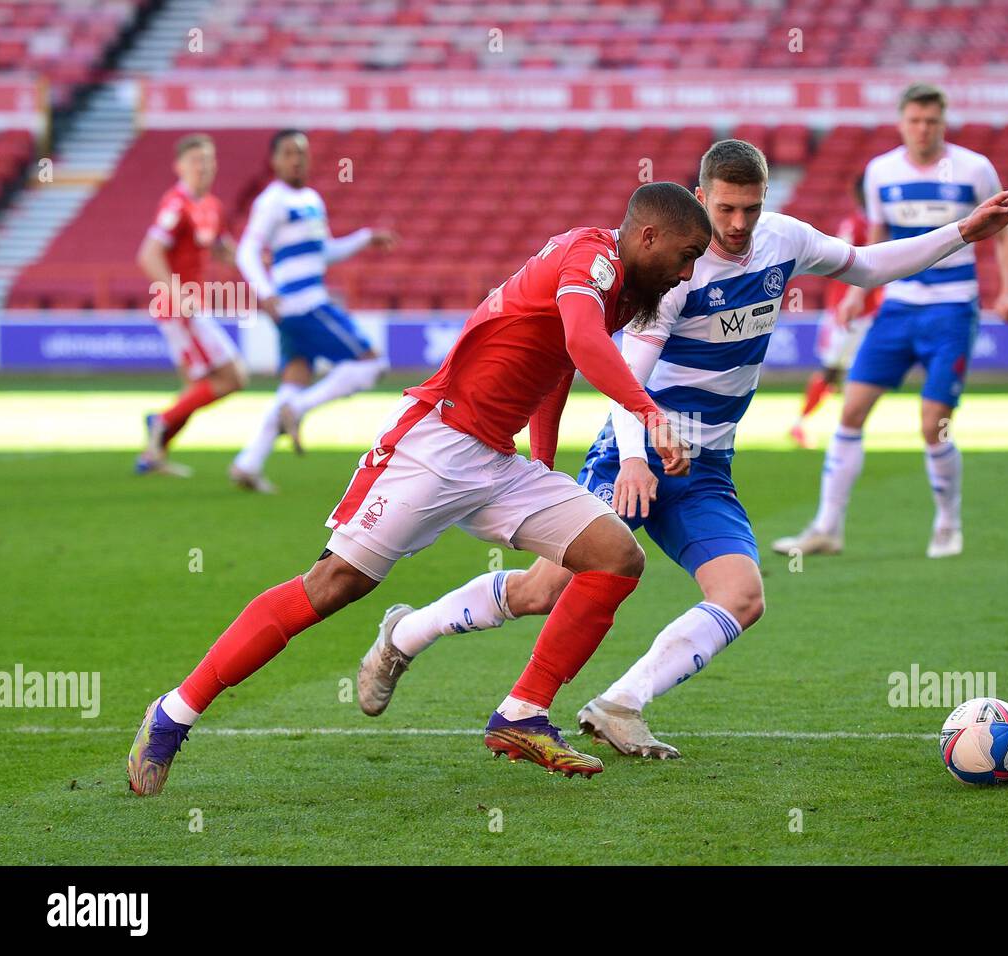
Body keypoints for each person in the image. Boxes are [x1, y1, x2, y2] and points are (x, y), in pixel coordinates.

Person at [354, 139, 1008, 759]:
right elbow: (630, 374)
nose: (738, 225)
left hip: (706, 465)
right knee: (545, 589)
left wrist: (961, 233)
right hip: (639, 452)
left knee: (742, 595)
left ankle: (620, 704)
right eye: (727, 209)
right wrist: (631, 459)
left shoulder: (784, 240)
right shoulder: (673, 273)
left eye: (751, 208)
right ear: (702, 199)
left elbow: (867, 266)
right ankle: (405, 635)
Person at [126, 181, 710, 794]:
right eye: (686, 253)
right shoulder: (592, 258)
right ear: (648, 236)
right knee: (332, 587)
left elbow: (558, 365)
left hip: (497, 461)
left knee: (617, 558)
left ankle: (521, 714)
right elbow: (583, 344)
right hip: (433, 445)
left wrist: (542, 464)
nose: (687, 271)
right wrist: (651, 416)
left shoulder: (619, 288)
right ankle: (172, 714)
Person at [773, 83, 1008, 561]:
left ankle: (948, 524)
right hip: (897, 308)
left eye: (931, 121)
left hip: (952, 308)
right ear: (901, 121)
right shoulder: (881, 172)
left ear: (943, 122)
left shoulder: (974, 169)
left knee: (934, 425)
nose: (923, 129)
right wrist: (854, 293)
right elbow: (875, 243)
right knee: (850, 412)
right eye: (914, 120)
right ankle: (827, 527)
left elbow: (1005, 236)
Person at [230, 129, 396, 493]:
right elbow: (247, 250)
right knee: (372, 363)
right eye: (289, 153)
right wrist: (265, 291)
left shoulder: (311, 199)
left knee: (294, 378)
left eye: (301, 153)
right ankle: (300, 410)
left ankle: (248, 463)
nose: (296, 159)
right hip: (302, 303)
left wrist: (364, 238)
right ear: (274, 160)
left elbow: (324, 253)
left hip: (294, 309)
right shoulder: (271, 201)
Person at [134, 133, 246, 476]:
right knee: (233, 376)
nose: (204, 167)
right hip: (180, 309)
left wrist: (258, 265)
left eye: (209, 160)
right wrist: (176, 293)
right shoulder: (176, 204)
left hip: (193, 306)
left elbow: (223, 248)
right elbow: (148, 254)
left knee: (194, 387)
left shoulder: (211, 206)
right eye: (196, 160)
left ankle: (153, 455)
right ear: (179, 166)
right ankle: (161, 421)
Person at [790, 172, 884, 449]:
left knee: (857, 370)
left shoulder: (879, 223)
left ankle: (849, 427)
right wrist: (846, 301)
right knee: (833, 370)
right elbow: (842, 265)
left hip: (870, 310)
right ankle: (801, 423)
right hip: (847, 310)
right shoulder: (854, 224)